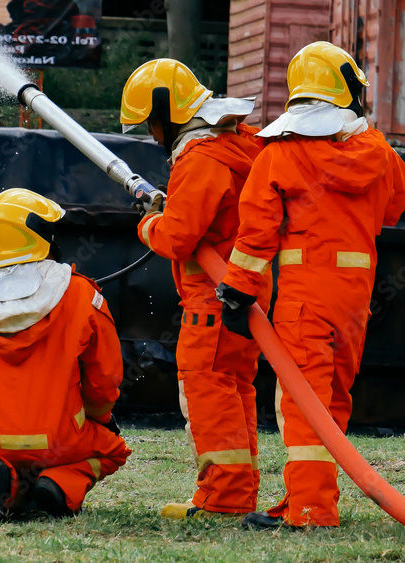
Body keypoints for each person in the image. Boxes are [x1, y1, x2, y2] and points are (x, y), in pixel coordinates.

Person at [217, 41, 405, 529]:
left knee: (304, 404)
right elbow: (397, 205)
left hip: (304, 297)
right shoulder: (380, 153)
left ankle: (310, 508)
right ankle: (310, 498)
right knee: (332, 400)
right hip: (354, 298)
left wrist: (238, 292)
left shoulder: (281, 154)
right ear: (348, 91)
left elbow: (257, 233)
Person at [119, 59, 272, 519]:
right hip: (243, 296)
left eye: (150, 123)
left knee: (208, 396)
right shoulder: (236, 145)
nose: (150, 134)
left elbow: (177, 238)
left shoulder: (201, 157)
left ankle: (222, 500)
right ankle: (236, 495)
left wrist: (149, 223)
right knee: (235, 392)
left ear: (166, 113)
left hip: (212, 301)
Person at [0, 188, 132, 523]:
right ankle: (58, 483)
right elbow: (104, 379)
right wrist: (100, 416)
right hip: (64, 437)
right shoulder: (81, 294)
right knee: (112, 450)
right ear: (41, 236)